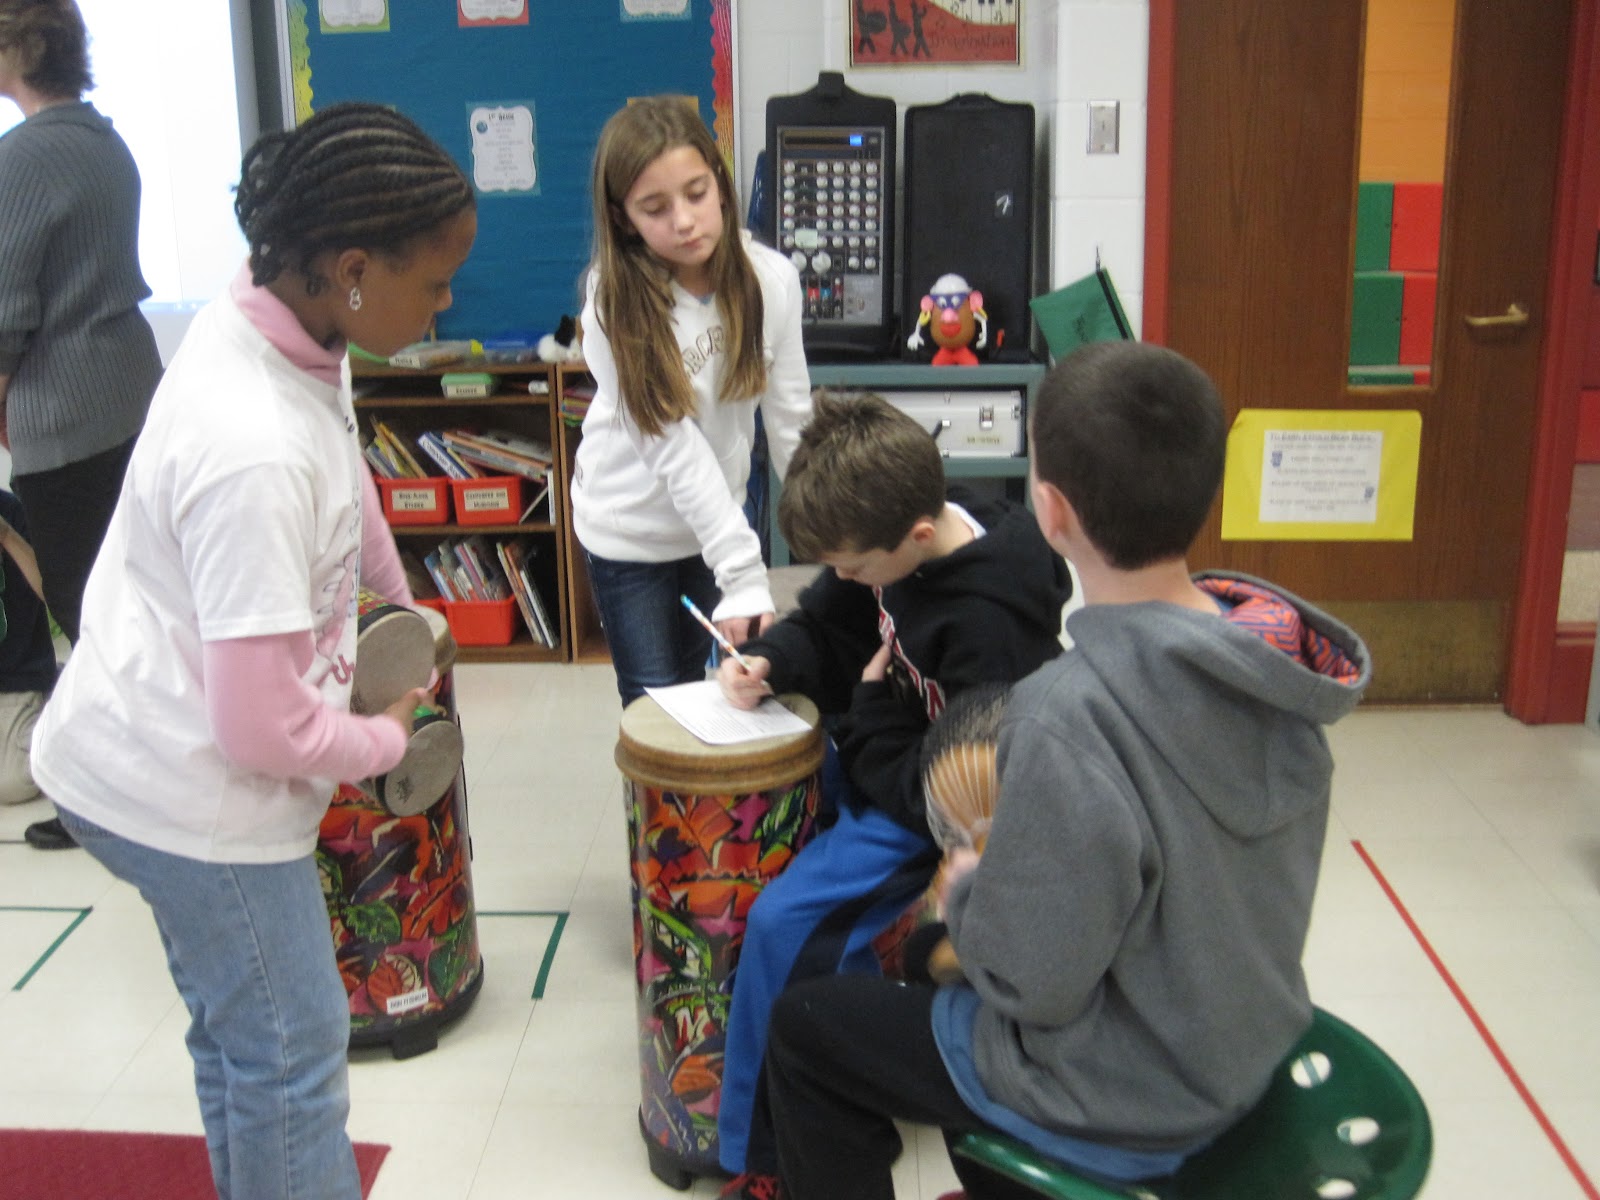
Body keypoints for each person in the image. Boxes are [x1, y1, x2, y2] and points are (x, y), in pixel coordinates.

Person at [757, 341, 1372, 1200]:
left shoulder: (1059, 719)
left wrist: (969, 887)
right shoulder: (1275, 664)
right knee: (918, 970)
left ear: (1051, 512)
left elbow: (1028, 985)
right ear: (1209, 492)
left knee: (811, 1027)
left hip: (1121, 1101)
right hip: (1239, 1052)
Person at [30, 102, 476, 1200]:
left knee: (245, 1039)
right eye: (435, 281)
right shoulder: (250, 450)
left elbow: (347, 461)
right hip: (186, 787)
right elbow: (261, 728)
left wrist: (397, 599)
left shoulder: (287, 325)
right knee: (291, 1049)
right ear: (356, 269)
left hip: (155, 736)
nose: (449, 301)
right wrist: (386, 739)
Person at [714, 391, 1073, 1199]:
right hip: (893, 749)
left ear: (915, 537)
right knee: (760, 822)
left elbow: (950, 804)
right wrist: (773, 659)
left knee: (782, 922)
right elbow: (832, 619)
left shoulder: (990, 632)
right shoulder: (900, 529)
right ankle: (853, 1065)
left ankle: (765, 1156)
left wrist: (871, 718)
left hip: (944, 809)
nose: (844, 578)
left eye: (854, 564)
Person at [570, 95, 811, 707]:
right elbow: (674, 450)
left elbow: (791, 424)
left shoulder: (771, 280)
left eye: (697, 193)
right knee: (655, 706)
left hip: (718, 520)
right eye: (655, 208)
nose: (684, 221)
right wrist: (743, 572)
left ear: (722, 186)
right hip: (631, 534)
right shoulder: (611, 304)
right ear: (623, 218)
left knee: (718, 697)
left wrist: (840, 537)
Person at [0, 0, 164, 849]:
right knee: (129, 602)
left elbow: (4, 311)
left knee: (83, 607)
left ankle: (102, 802)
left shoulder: (22, 157)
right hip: (130, 389)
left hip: (63, 411)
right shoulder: (105, 142)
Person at [0, 489, 54, 806]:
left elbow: (53, 594)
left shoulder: (13, 510)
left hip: (15, 678)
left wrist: (7, 536)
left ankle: (58, 708)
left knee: (12, 784)